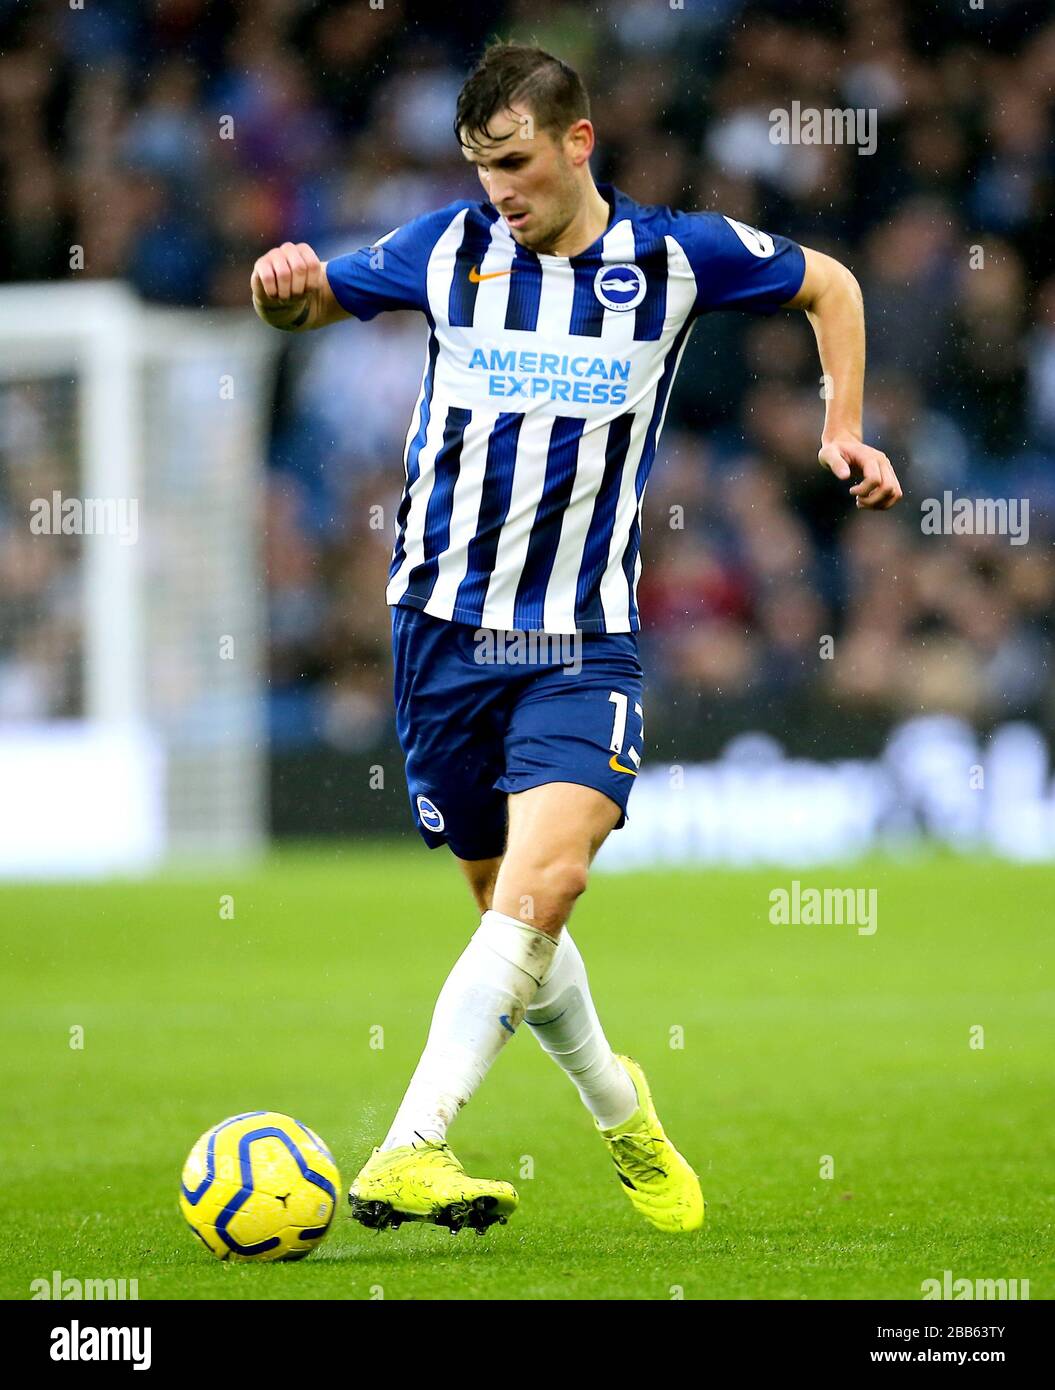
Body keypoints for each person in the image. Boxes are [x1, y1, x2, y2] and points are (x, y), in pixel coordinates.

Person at [250, 42, 902, 1237]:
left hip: (577, 641)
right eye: (478, 167)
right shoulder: (444, 249)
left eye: (512, 162)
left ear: (575, 143)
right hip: (437, 634)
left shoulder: (671, 256)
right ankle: (623, 1112)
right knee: (516, 920)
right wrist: (276, 282)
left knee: (549, 886)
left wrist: (841, 427)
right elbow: (304, 302)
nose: (496, 189)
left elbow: (833, 286)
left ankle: (408, 1148)